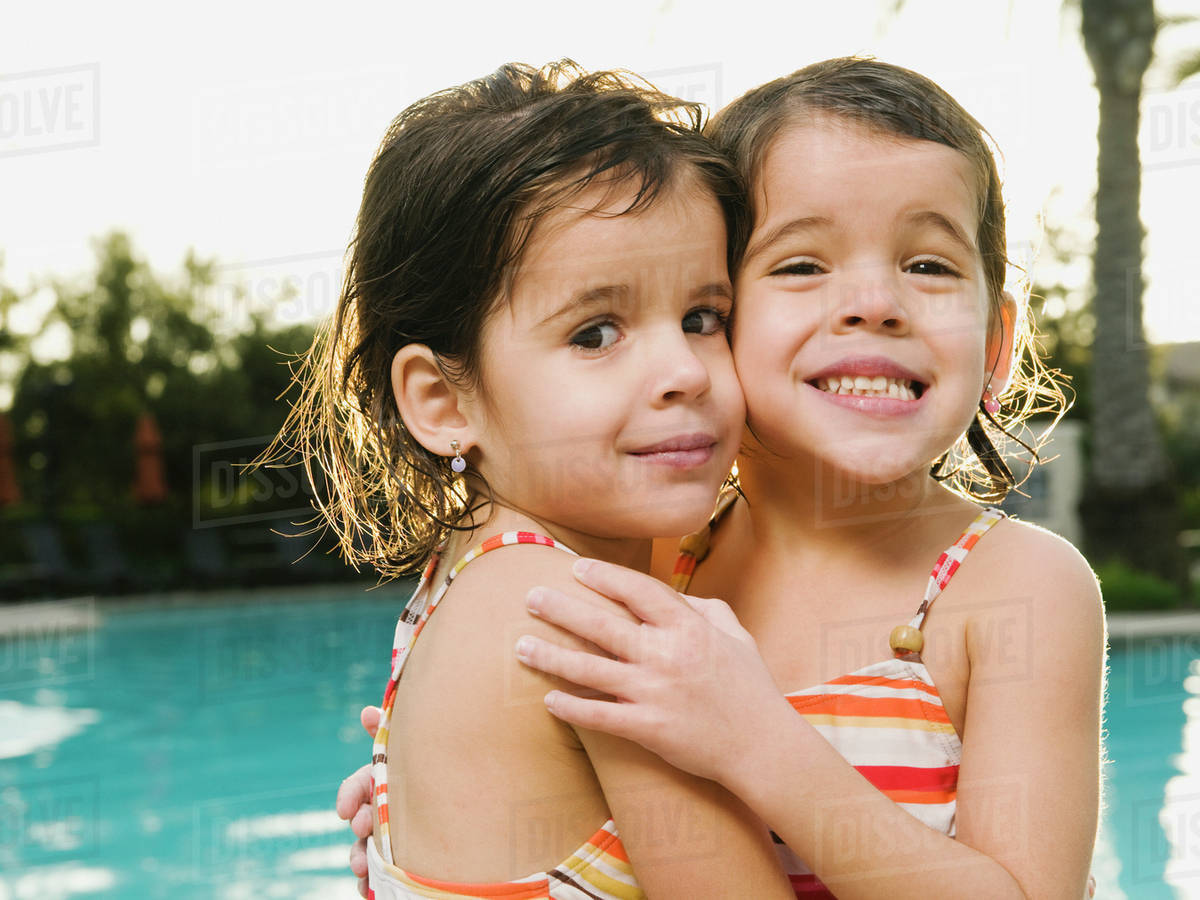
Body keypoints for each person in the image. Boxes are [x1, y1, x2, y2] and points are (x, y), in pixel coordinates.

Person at [338, 58, 1104, 899]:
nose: (875, 302)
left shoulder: (1018, 588)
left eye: (928, 265)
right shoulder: (644, 561)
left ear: (995, 346)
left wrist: (759, 743)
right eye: (801, 266)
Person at [290, 60, 814, 899]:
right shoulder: (587, 624)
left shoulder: (472, 581)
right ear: (439, 399)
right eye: (596, 332)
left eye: (702, 318)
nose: (683, 369)